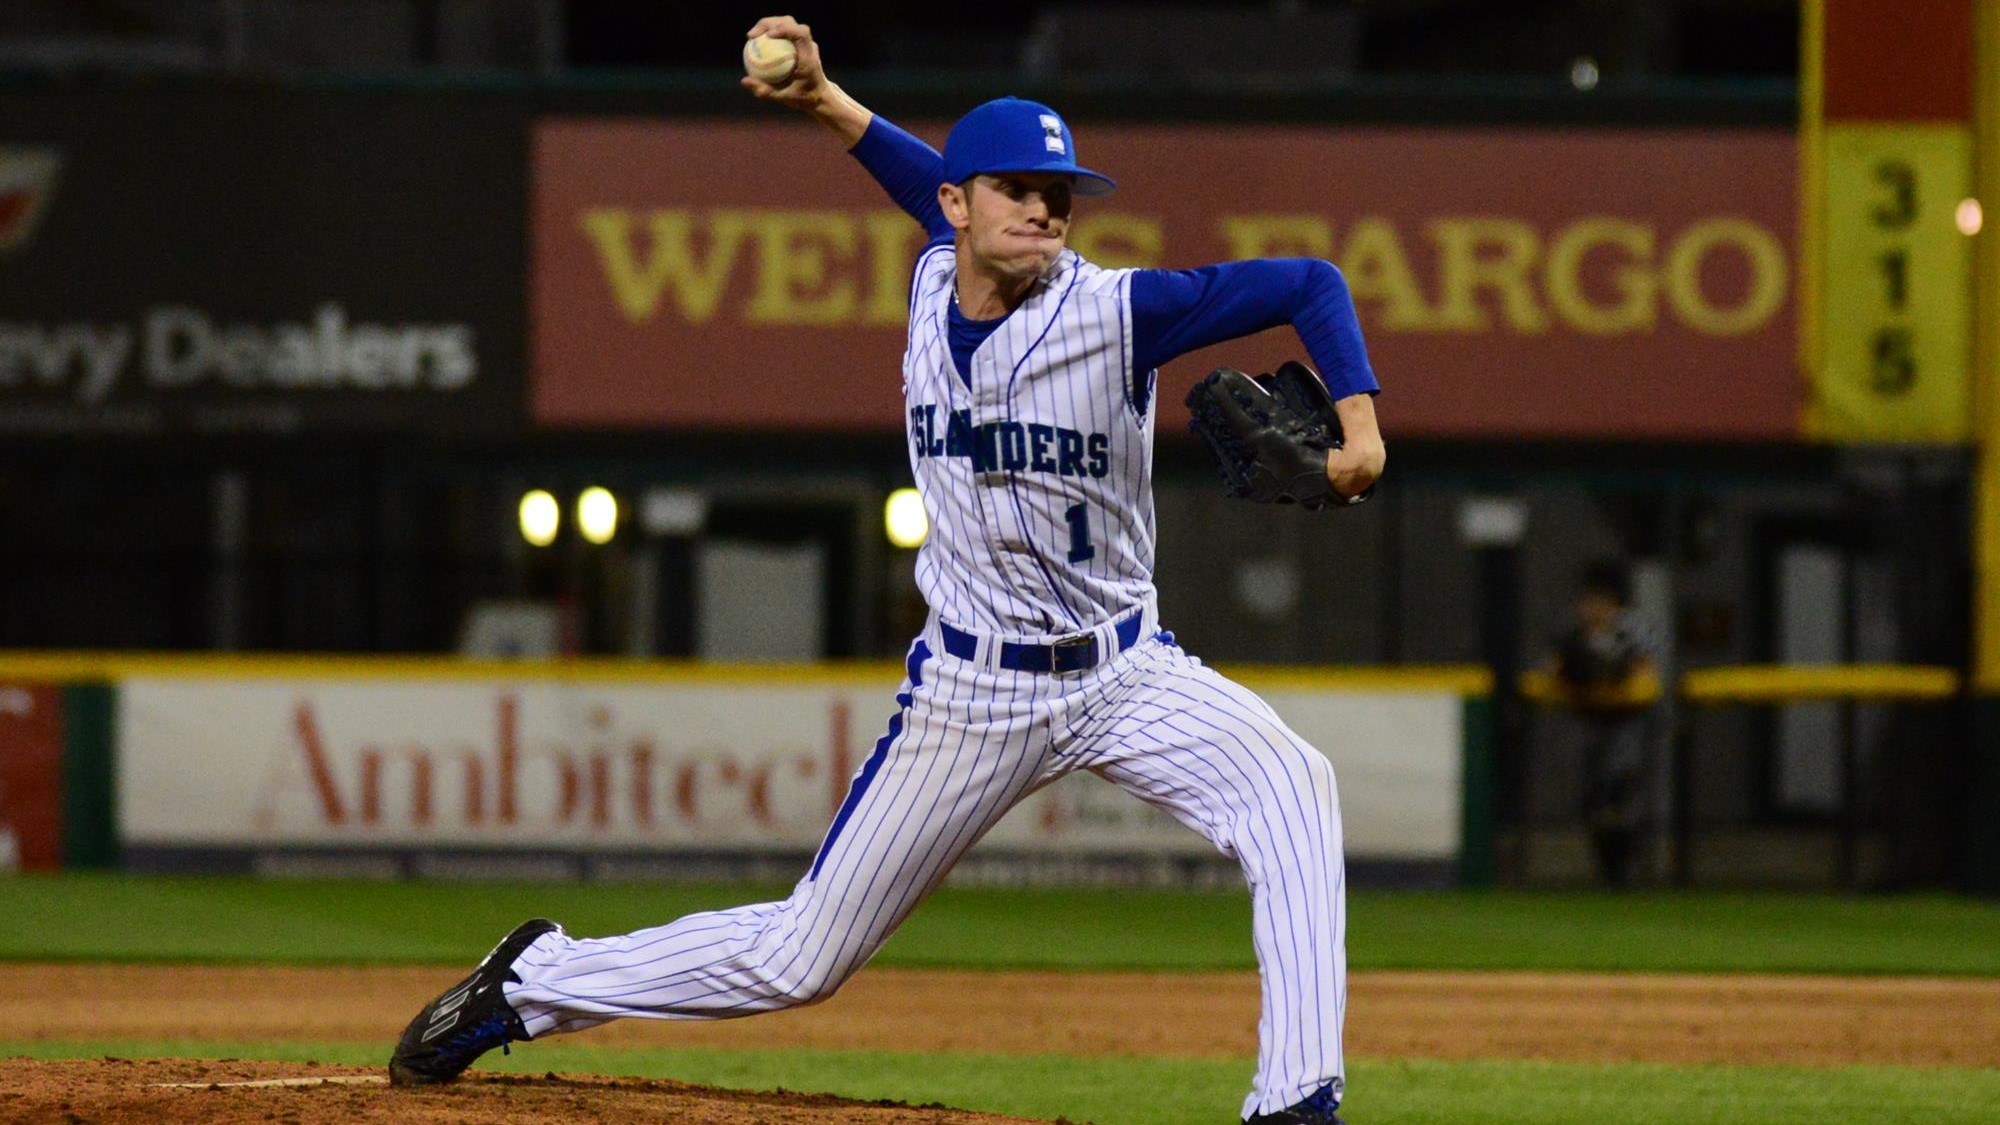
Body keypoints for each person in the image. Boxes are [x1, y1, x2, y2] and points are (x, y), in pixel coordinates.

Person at [389, 15, 1386, 1125]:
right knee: (799, 959)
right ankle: (530, 982)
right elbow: (920, 178)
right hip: (969, 691)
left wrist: (1359, 432)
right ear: (960, 208)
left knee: (1293, 787)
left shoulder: (1118, 313)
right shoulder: (928, 273)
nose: (1045, 208)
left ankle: (1295, 1101)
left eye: (1058, 192)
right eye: (1015, 187)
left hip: (1122, 672)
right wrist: (825, 103)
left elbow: (1311, 281)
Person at [1542, 561, 1662, 888]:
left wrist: (1613, 687)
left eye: (1598, 602)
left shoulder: (1632, 630)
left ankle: (1627, 861)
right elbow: (1552, 672)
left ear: (1613, 603)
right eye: (1587, 602)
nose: (1591, 609)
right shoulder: (1574, 634)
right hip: (1589, 719)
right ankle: (1610, 867)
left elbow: (1645, 676)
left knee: (1620, 787)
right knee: (1593, 799)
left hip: (1627, 720)